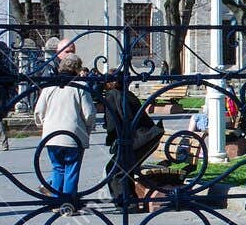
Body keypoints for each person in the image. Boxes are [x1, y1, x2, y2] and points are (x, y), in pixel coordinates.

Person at [35, 55, 96, 209]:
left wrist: (44, 125)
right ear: (77, 69)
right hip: (74, 134)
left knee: (57, 168)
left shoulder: (49, 86)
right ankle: (67, 204)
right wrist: (88, 129)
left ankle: (56, 201)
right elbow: (89, 113)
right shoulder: (80, 86)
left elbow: (39, 111)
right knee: (71, 169)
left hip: (52, 135)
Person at [102, 73, 162, 208]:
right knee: (122, 168)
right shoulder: (126, 94)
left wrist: (113, 139)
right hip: (146, 136)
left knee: (116, 169)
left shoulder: (112, 95)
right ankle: (128, 201)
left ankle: (126, 202)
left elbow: (114, 123)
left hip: (138, 139)